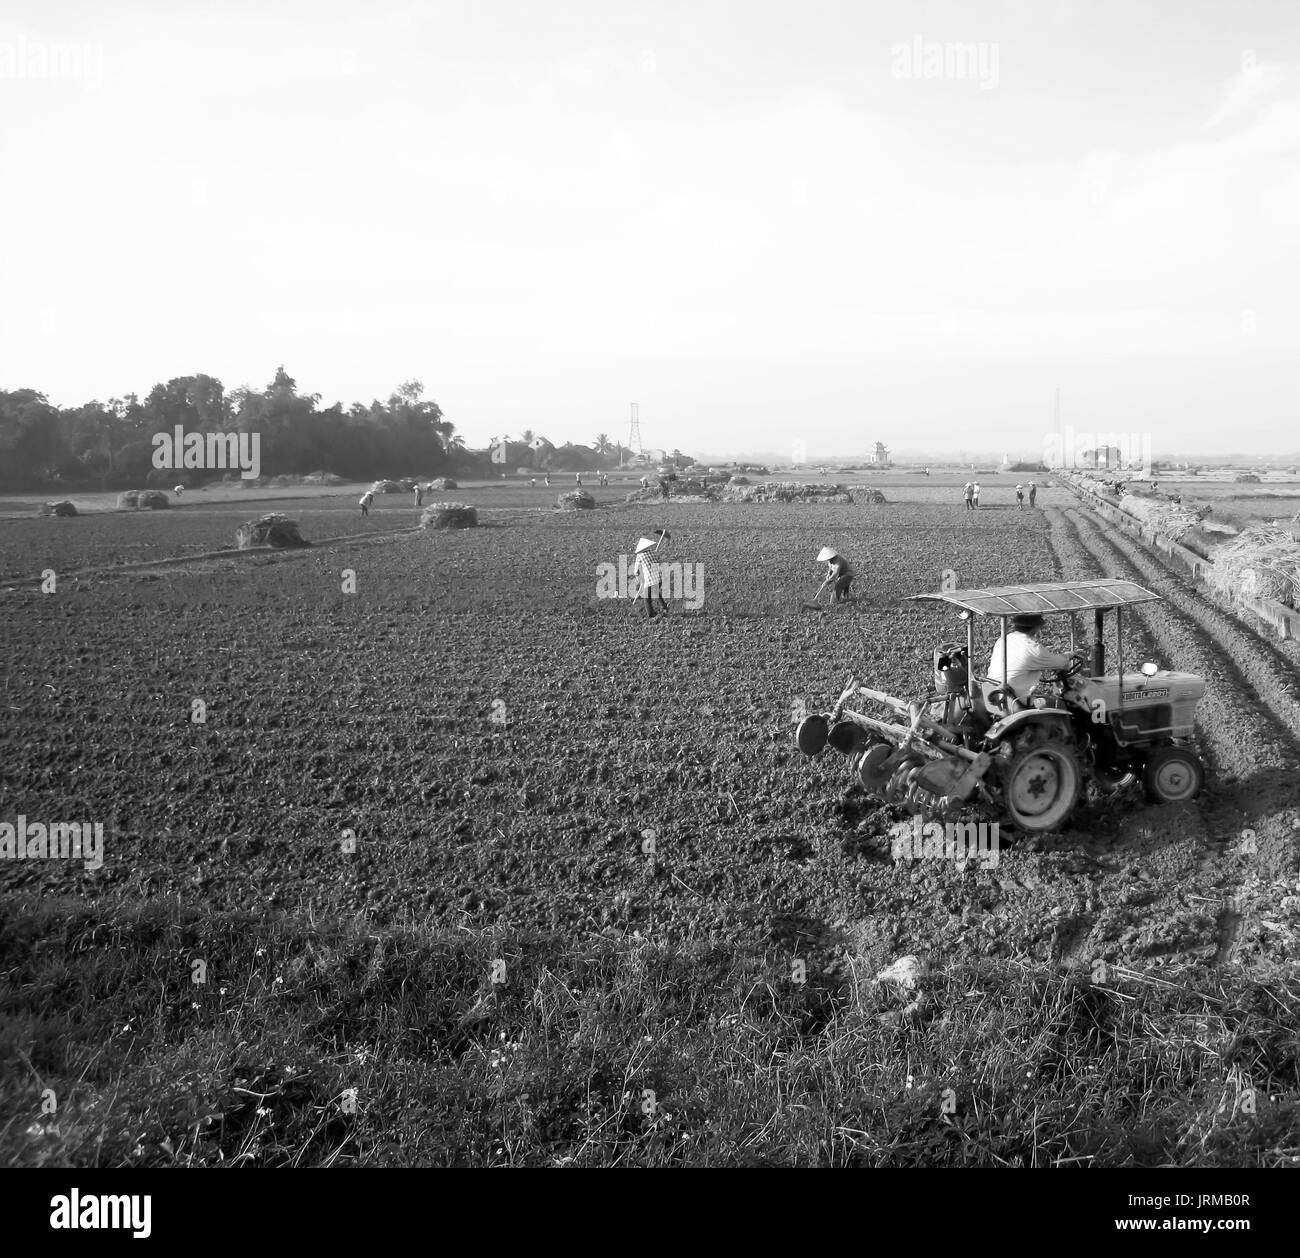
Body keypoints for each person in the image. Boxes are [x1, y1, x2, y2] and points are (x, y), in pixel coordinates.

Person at [985, 614, 1074, 707]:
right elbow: (1061, 663)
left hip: (994, 692)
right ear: (1035, 628)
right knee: (1060, 705)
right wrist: (1069, 655)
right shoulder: (1033, 649)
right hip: (1015, 700)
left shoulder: (1003, 640)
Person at [634, 536, 668, 619]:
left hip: (650, 580)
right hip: (659, 578)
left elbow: (636, 571)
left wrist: (639, 579)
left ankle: (651, 615)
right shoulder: (654, 552)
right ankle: (664, 607)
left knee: (646, 598)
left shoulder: (639, 556)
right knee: (656, 591)